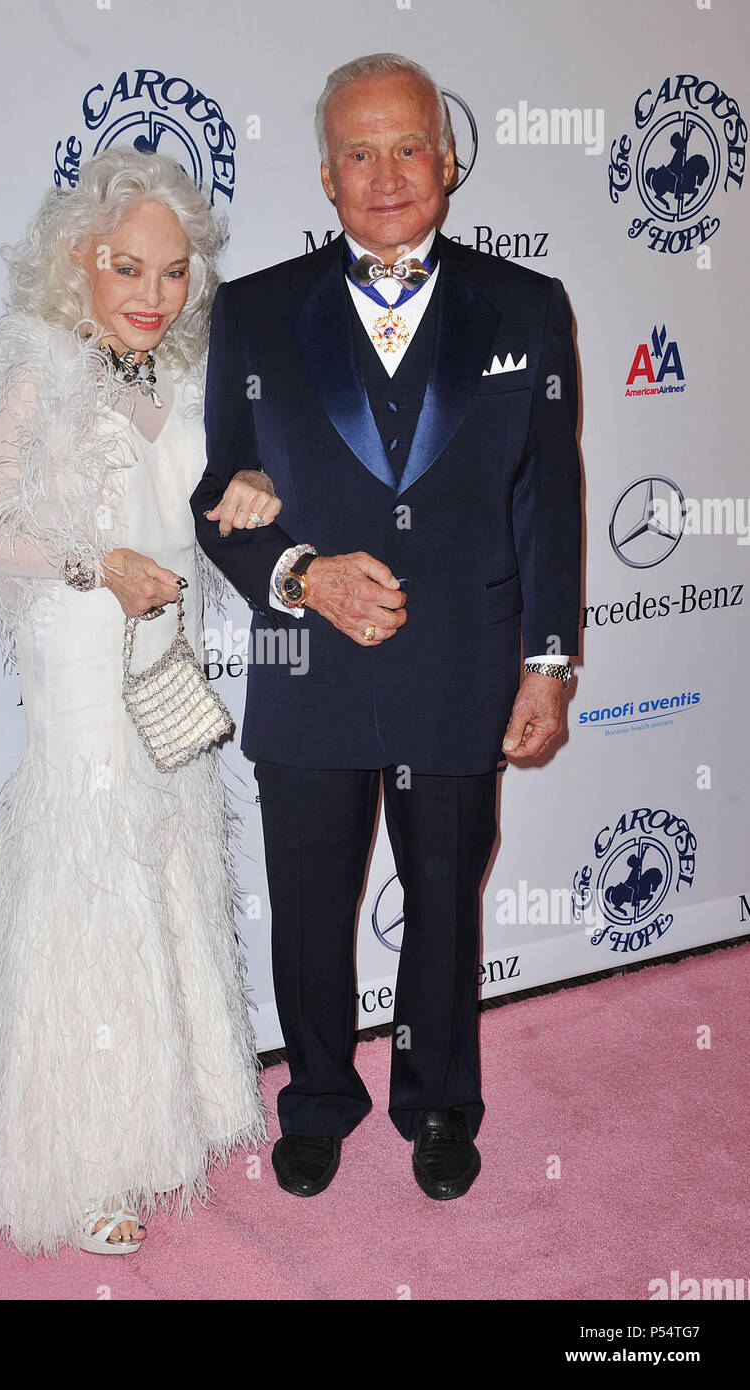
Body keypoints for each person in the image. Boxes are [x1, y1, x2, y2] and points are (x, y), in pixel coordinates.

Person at [191, 54, 582, 1202]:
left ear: (446, 156)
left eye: (405, 145)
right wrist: (299, 574)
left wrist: (546, 661)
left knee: (443, 903)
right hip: (307, 666)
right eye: (355, 152)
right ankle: (315, 1095)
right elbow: (221, 497)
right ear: (323, 175)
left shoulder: (524, 305)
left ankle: (438, 1099)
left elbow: (546, 499)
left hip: (464, 663)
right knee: (310, 909)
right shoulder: (255, 312)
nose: (384, 173)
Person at [0, 148, 276, 1257]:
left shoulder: (180, 378)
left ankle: (154, 1127)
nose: (150, 295)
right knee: (89, 901)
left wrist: (248, 489)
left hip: (164, 670)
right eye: (127, 268)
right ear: (79, 261)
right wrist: (95, 564)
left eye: (172, 274)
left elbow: (200, 515)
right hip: (81, 671)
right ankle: (77, 1161)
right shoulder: (44, 373)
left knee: (164, 886)